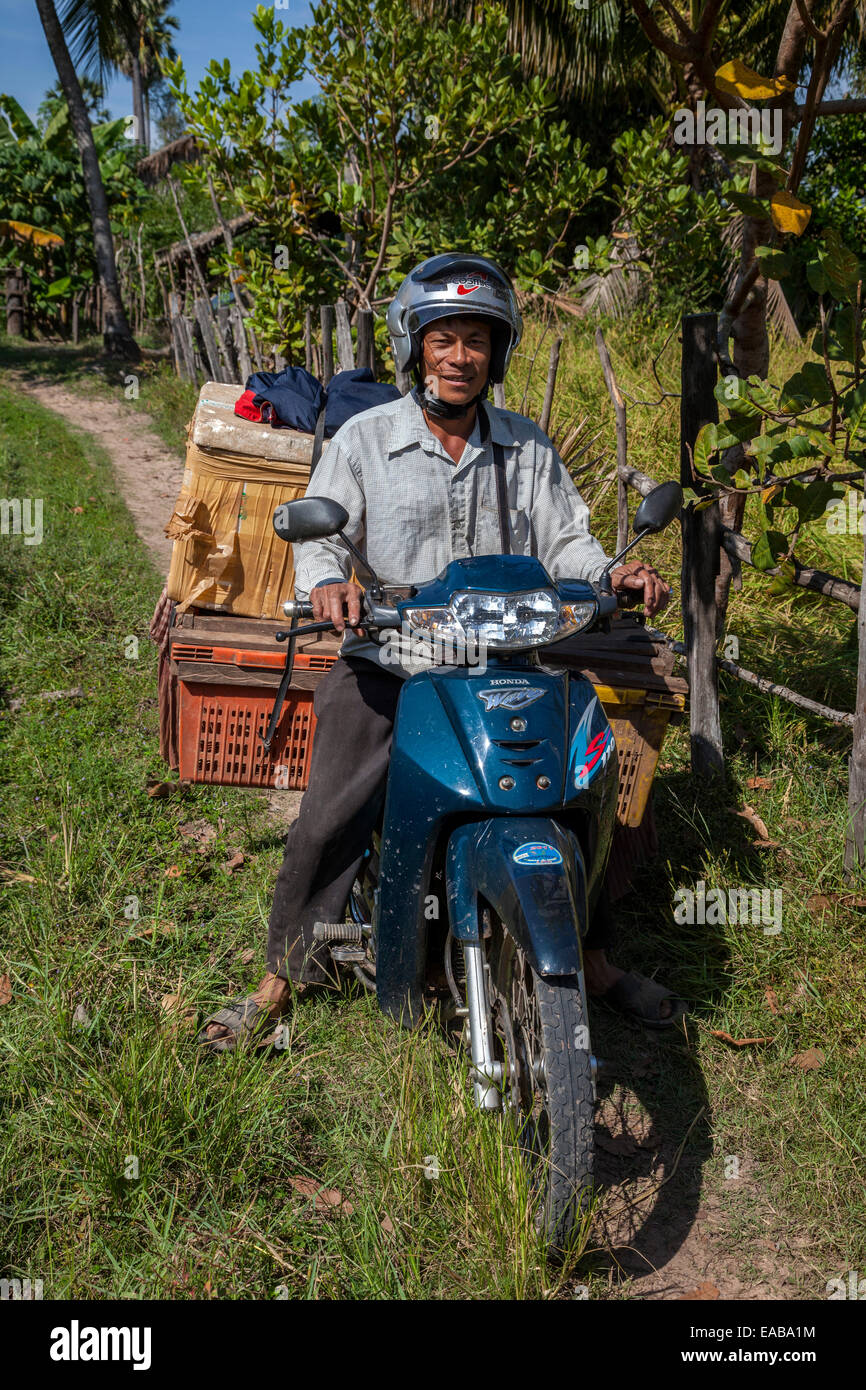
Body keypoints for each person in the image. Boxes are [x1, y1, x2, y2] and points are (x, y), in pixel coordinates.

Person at [201, 254, 682, 1051]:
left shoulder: (527, 448)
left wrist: (610, 575)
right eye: (444, 339)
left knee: (582, 786)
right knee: (331, 810)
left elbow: (568, 541)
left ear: (498, 353)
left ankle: (593, 959)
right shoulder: (363, 440)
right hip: (393, 660)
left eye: (477, 341)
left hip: (507, 661)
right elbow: (321, 536)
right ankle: (280, 976)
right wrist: (330, 586)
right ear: (414, 346)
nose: (461, 357)